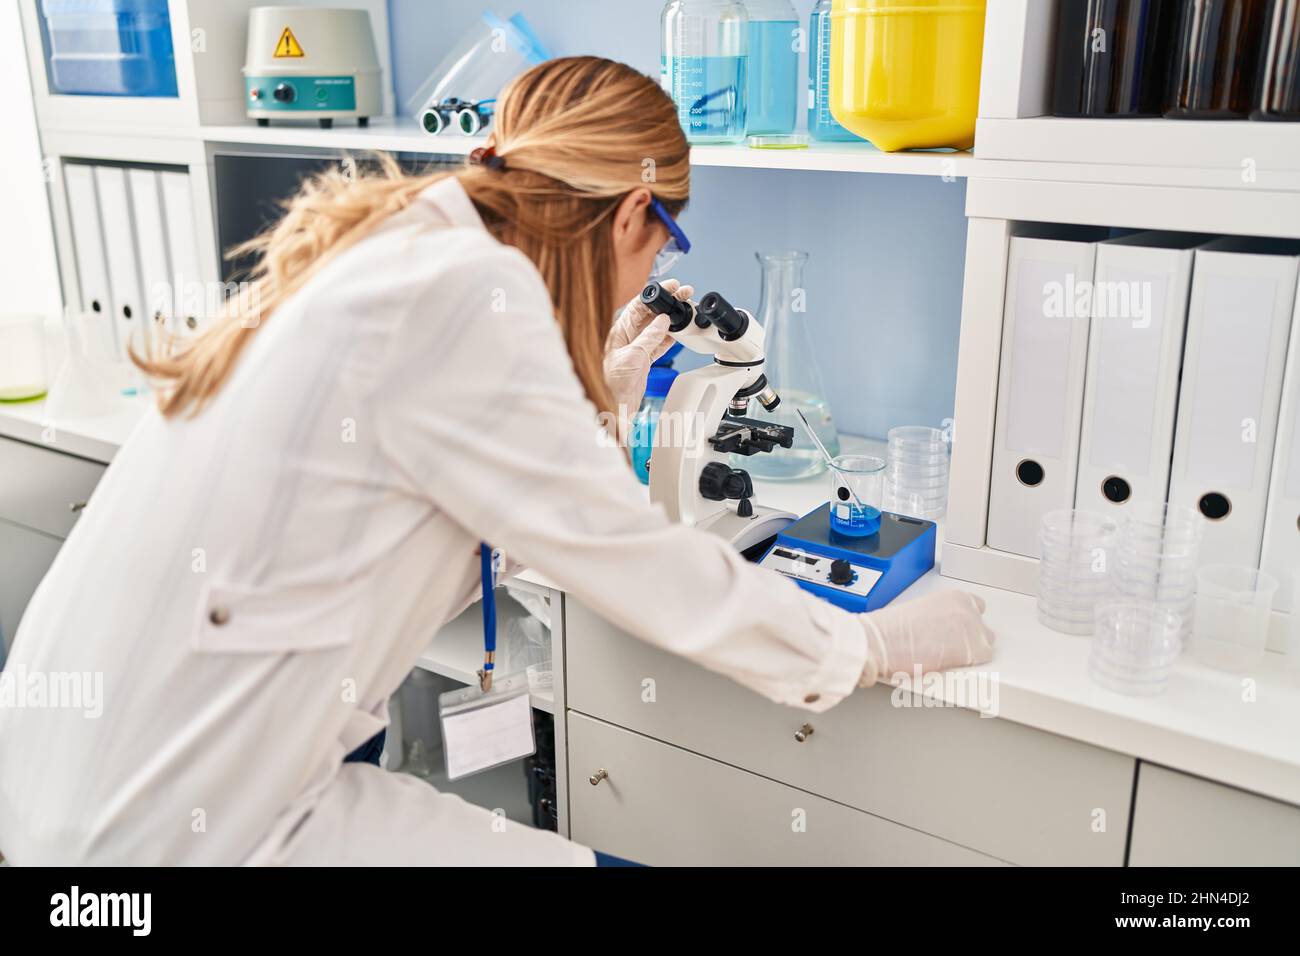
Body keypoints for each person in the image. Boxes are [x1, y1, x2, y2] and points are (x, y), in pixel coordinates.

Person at [0, 57, 994, 866]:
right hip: (176, 821)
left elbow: (415, 499)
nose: (658, 273)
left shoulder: (402, 249)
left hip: (89, 773)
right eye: (667, 242)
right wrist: (870, 647)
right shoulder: (468, 297)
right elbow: (646, 568)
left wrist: (589, 406)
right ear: (631, 217)